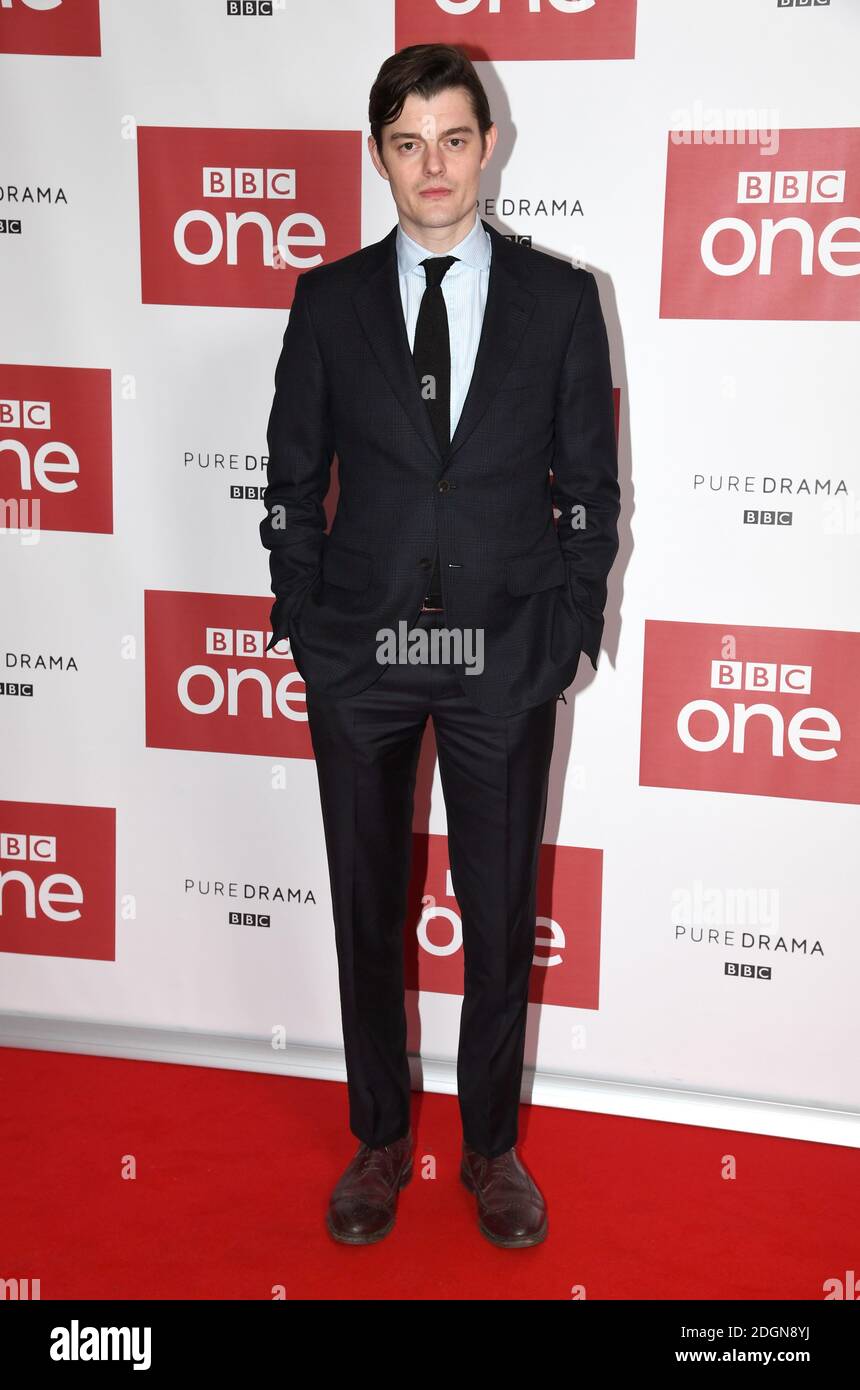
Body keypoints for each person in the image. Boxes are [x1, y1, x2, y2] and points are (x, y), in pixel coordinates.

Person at [260, 42, 620, 1247]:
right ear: (380, 155)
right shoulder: (327, 300)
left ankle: (488, 1150)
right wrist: (302, 622)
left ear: (487, 146)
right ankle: (375, 1138)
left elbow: (590, 486)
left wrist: (568, 626)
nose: (432, 164)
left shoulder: (562, 300)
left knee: (499, 906)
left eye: (452, 138)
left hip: (504, 655)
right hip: (359, 658)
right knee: (367, 902)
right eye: (406, 142)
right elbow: (291, 474)